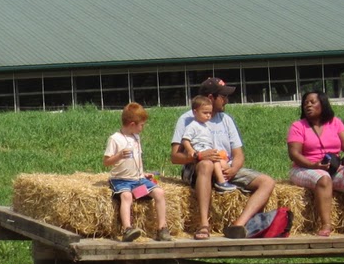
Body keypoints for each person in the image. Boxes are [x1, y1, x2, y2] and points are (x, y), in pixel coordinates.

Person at [169, 77, 275, 240]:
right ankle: (204, 224)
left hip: (225, 167)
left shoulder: (227, 120)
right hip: (198, 167)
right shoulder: (187, 119)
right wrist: (198, 156)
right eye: (223, 96)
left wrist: (233, 169)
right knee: (206, 165)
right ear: (211, 98)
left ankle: (238, 224)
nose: (227, 100)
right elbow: (175, 157)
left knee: (267, 182)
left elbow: (238, 154)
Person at [286, 89, 344, 237]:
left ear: (323, 104)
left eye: (312, 102)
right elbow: (294, 154)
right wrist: (314, 165)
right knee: (324, 178)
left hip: (332, 167)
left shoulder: (335, 123)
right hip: (304, 167)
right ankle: (326, 225)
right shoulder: (298, 126)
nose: (308, 106)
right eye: (305, 103)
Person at [103, 102, 170, 242]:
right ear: (132, 124)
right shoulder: (115, 139)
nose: (143, 128)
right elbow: (106, 161)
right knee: (126, 196)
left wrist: (142, 172)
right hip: (121, 179)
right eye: (142, 125)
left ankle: (162, 228)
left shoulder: (136, 137)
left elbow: (136, 159)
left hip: (138, 179)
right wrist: (119, 156)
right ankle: (127, 228)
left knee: (159, 192)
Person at [178, 95, 231, 191]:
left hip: (207, 149)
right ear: (195, 112)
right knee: (215, 161)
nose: (208, 115)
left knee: (224, 164)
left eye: (210, 113)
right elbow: (185, 140)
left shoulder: (205, 126)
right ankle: (221, 182)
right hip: (200, 149)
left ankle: (219, 179)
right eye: (205, 113)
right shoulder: (192, 126)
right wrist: (190, 150)